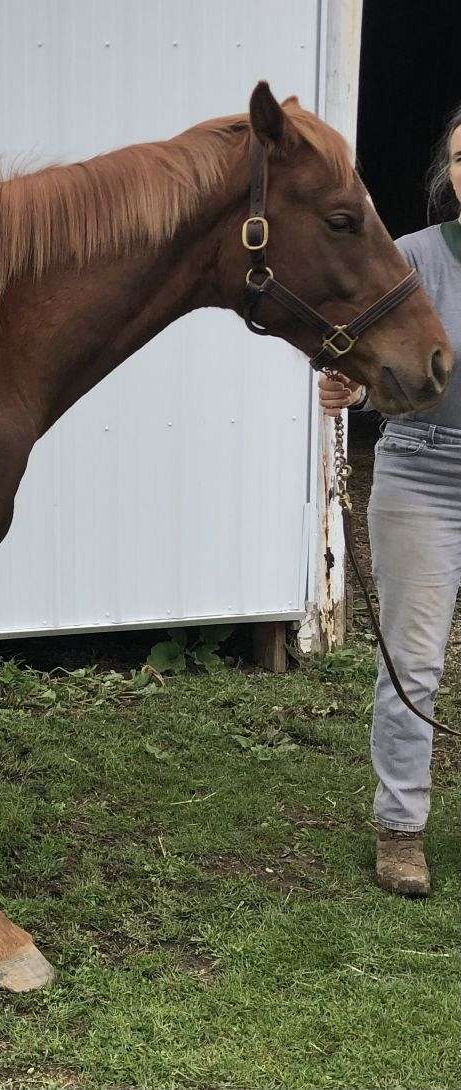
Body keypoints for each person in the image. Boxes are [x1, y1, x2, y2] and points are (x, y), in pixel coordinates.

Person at [319, 104, 461, 897]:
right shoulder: (409, 260)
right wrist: (346, 387)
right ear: (449, 174)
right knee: (414, 660)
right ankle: (401, 828)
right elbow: (366, 360)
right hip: (423, 471)